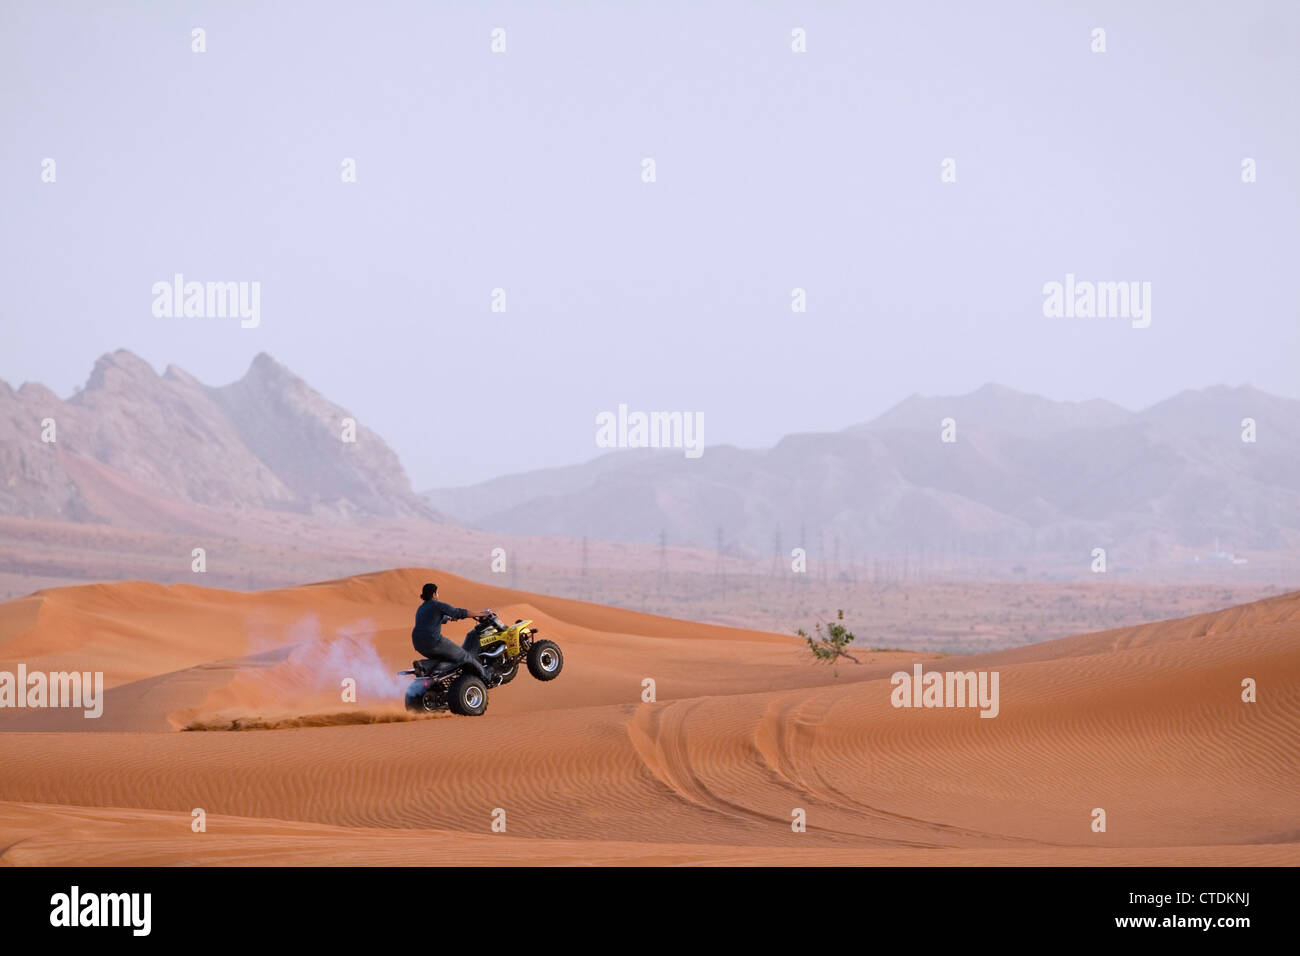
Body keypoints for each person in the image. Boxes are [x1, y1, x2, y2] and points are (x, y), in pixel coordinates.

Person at [411, 583, 491, 680]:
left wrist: (449, 618)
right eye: (437, 593)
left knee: (447, 657)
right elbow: (459, 612)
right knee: (465, 656)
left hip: (418, 644)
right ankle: (487, 676)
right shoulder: (437, 605)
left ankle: (423, 665)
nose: (438, 595)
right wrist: (482, 613)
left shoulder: (421, 608)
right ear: (434, 594)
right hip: (433, 642)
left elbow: (434, 618)